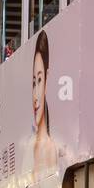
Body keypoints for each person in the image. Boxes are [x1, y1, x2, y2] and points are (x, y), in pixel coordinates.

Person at [31, 30, 57, 174]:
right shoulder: (30, 147)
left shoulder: (50, 150)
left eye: (39, 80)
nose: (35, 95)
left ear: (47, 79)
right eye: (33, 82)